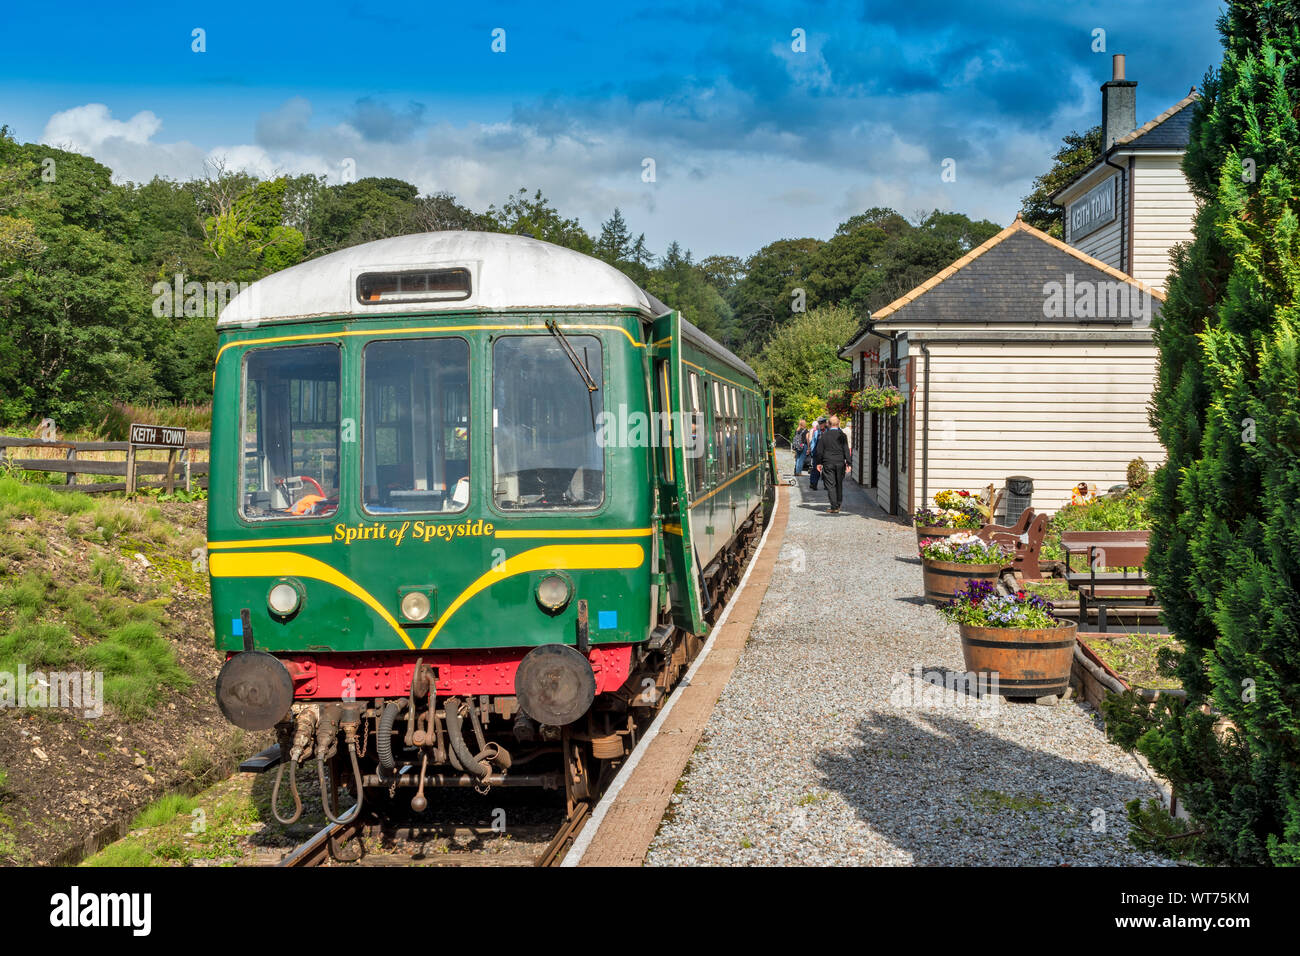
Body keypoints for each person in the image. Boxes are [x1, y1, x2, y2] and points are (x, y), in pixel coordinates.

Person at [814, 415, 851, 513]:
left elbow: (819, 451)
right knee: (839, 483)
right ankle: (838, 504)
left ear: (828, 424)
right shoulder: (842, 435)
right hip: (840, 462)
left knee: (831, 485)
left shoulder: (824, 436)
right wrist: (849, 462)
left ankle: (834, 506)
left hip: (828, 462)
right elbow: (846, 450)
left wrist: (819, 463)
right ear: (838, 424)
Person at [807, 417, 826, 489]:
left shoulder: (827, 431)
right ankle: (813, 484)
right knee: (815, 469)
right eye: (819, 424)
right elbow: (813, 443)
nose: (821, 425)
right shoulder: (817, 432)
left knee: (826, 470)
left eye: (822, 423)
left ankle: (826, 484)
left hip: (826, 454)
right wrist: (812, 452)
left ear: (825, 423)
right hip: (817, 454)